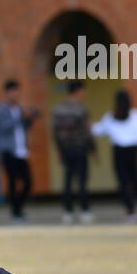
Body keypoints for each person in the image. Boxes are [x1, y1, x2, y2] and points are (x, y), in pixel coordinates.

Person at [92, 89, 137, 223]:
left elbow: (98, 130)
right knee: (136, 180)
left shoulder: (112, 116)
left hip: (119, 151)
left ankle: (130, 211)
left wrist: (88, 126)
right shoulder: (136, 115)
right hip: (133, 149)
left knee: (123, 182)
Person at [0, 78, 40, 223]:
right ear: (7, 93)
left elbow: (25, 127)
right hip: (8, 152)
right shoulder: (1, 110)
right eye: (12, 91)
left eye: (17, 91)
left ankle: (19, 209)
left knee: (28, 182)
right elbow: (2, 127)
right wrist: (20, 117)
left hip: (21, 151)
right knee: (13, 183)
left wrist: (30, 118)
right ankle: (15, 213)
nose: (15, 94)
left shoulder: (21, 108)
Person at [51, 79, 96, 225]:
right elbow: (87, 132)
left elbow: (55, 132)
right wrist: (93, 151)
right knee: (82, 181)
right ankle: (84, 211)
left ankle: (68, 212)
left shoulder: (58, 109)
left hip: (65, 150)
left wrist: (59, 150)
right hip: (80, 149)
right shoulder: (81, 109)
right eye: (83, 90)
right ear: (78, 91)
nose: (85, 93)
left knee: (68, 181)